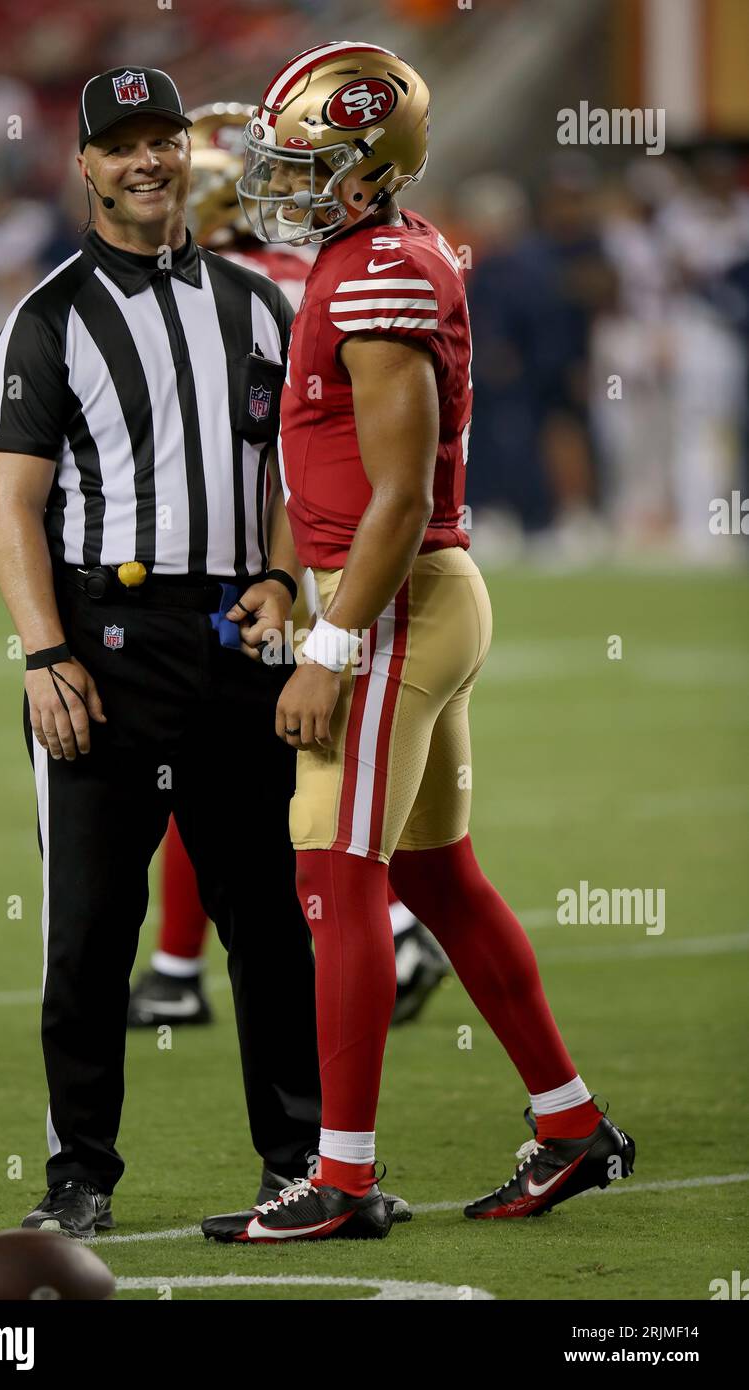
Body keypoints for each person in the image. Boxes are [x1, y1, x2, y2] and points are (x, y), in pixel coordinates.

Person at [202, 41, 635, 1243]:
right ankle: (569, 1126)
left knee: (334, 874)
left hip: (395, 601)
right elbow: (334, 472)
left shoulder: (375, 271)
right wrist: (293, 580)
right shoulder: (370, 250)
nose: (284, 179)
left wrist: (327, 649)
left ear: (368, 168)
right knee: (436, 872)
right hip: (387, 589)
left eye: (311, 161)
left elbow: (394, 497)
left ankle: (338, 1179)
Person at [0, 65, 406, 1239]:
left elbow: (289, 475)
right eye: (120, 146)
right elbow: (10, 505)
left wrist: (277, 577)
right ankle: (79, 1179)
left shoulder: (262, 305)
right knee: (88, 933)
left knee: (270, 919)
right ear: (84, 164)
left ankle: (305, 1163)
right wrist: (41, 653)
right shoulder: (48, 315)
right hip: (100, 646)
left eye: (161, 139)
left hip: (236, 631)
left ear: (186, 156)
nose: (146, 161)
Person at [129, 100, 448, 1032]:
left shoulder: (235, 277)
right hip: (315, 540)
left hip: (275, 546)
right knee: (261, 770)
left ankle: (374, 931)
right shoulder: (339, 258)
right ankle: (190, 965)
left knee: (232, 767)